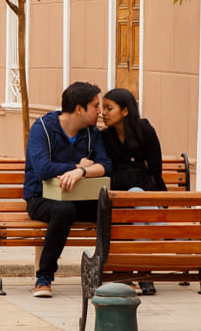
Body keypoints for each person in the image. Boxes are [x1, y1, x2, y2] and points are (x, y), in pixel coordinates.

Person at [23, 81, 112, 298]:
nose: (99, 111)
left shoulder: (92, 133)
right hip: (40, 198)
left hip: (80, 197)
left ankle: (116, 273)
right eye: (95, 105)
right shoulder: (42, 128)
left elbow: (106, 166)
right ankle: (43, 278)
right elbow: (43, 169)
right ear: (79, 109)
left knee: (109, 209)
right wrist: (76, 166)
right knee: (64, 211)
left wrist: (81, 172)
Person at [102, 87, 166, 294]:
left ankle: (135, 272)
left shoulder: (145, 132)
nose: (103, 113)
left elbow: (156, 171)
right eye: (102, 108)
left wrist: (163, 202)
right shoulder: (105, 137)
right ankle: (143, 274)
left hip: (145, 198)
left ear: (125, 111)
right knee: (133, 207)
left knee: (137, 200)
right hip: (116, 201)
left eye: (109, 108)